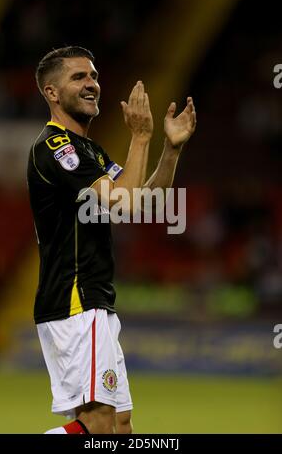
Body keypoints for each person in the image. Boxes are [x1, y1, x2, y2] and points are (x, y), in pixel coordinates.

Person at [27, 46, 196, 435]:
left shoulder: (90, 151)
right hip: (75, 301)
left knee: (120, 425)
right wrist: (140, 138)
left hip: (94, 302)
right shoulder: (56, 148)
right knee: (99, 427)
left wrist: (170, 149)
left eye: (94, 76)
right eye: (78, 77)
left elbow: (141, 205)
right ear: (51, 93)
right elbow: (125, 198)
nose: (92, 84)